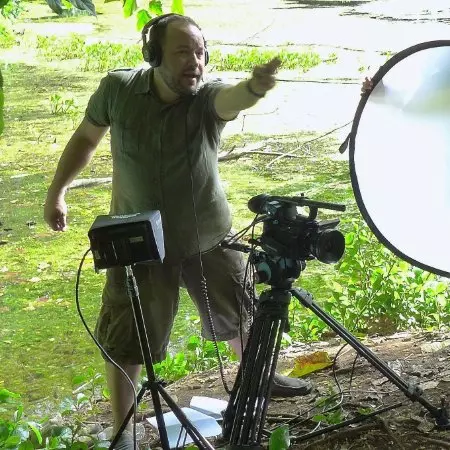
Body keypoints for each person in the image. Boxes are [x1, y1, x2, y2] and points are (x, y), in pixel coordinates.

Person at [44, 13, 312, 449]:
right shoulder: (118, 90)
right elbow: (85, 139)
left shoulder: (206, 97)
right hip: (137, 240)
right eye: (183, 51)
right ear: (153, 55)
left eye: (201, 51)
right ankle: (123, 429)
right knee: (128, 336)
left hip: (208, 230)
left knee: (242, 311)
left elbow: (231, 99)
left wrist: (255, 88)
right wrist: (57, 191)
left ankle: (257, 377)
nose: (196, 61)